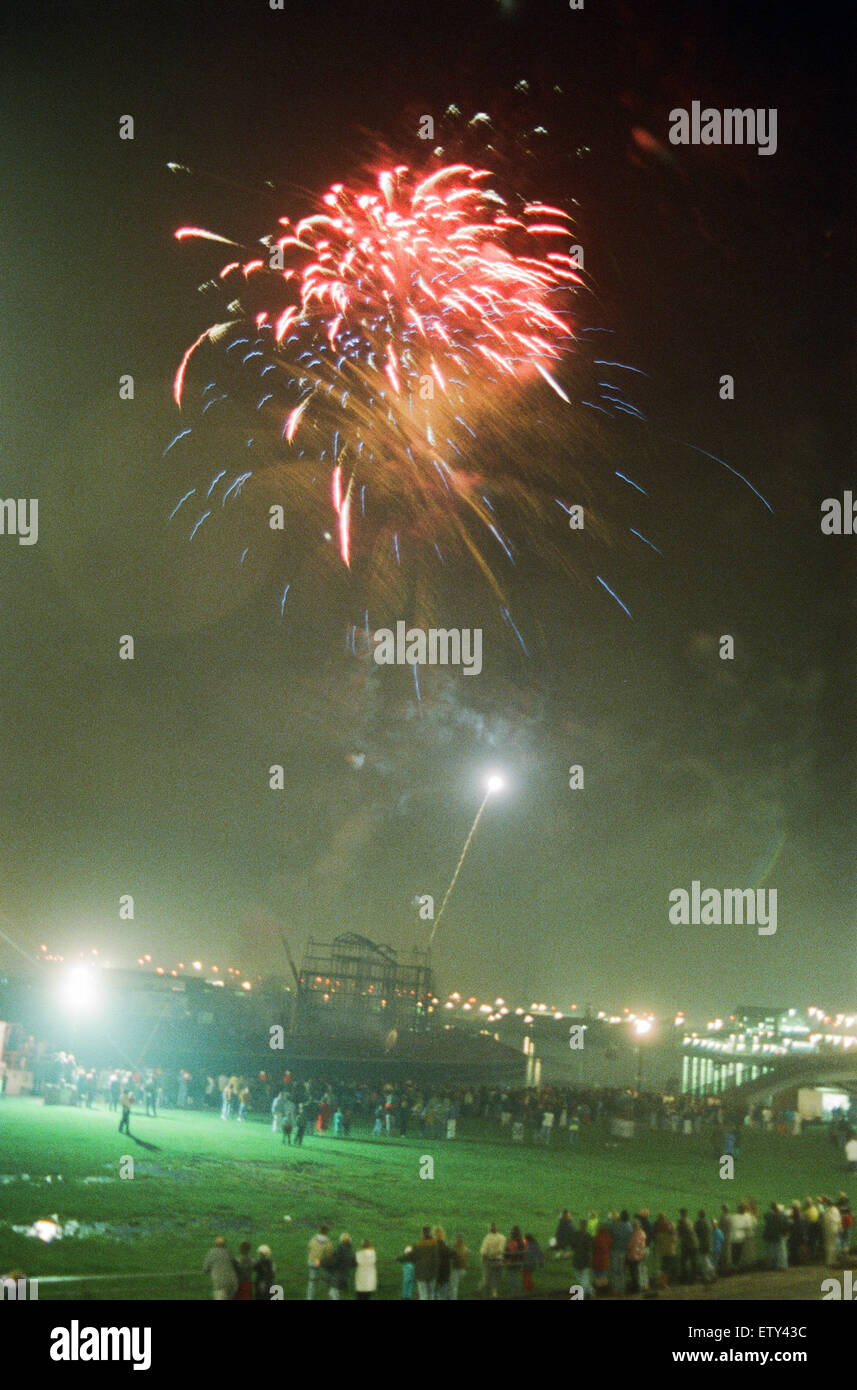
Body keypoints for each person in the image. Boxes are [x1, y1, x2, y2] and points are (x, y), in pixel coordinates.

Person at [204, 1237, 238, 1301]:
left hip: (219, 1283)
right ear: (224, 1244)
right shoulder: (228, 1252)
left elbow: (206, 1268)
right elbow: (235, 1264)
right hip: (231, 1283)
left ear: (215, 1244)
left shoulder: (212, 1253)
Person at [306, 1225, 333, 1300]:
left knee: (312, 1281)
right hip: (322, 1262)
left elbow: (308, 1249)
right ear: (327, 1232)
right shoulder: (328, 1242)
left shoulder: (313, 1239)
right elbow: (329, 1254)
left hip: (312, 1261)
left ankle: (309, 1297)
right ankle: (327, 1289)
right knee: (328, 1275)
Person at [326, 1233, 356, 1300]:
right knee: (335, 1292)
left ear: (341, 1240)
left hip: (337, 1274)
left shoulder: (340, 1249)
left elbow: (334, 1261)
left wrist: (325, 1264)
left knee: (333, 1293)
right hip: (346, 1274)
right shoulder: (351, 1250)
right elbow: (354, 1263)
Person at [480, 1222, 505, 1299]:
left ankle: (483, 1293)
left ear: (490, 1229)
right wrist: (496, 1254)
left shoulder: (487, 1237)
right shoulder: (502, 1237)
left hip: (489, 1260)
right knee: (496, 1277)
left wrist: (488, 1255)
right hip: (498, 1260)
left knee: (487, 1277)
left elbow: (483, 1251)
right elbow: (501, 1249)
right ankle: (494, 1294)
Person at [413, 1226, 439, 1300]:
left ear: (422, 1233)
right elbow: (436, 1259)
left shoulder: (419, 1244)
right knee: (431, 1294)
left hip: (421, 1273)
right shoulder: (434, 1243)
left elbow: (414, 1258)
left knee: (423, 1295)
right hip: (432, 1273)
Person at [504, 1225, 525, 1294]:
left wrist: (505, 1260)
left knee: (512, 1278)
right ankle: (517, 1291)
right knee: (516, 1276)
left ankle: (516, 1292)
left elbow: (507, 1253)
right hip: (519, 1262)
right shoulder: (521, 1241)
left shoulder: (511, 1242)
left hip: (511, 1262)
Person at [450, 1233, 469, 1300]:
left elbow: (452, 1259)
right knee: (455, 1286)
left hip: (456, 1270)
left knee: (454, 1287)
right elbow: (466, 1260)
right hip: (463, 1270)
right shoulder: (465, 1248)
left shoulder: (455, 1249)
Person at [434, 1226, 451, 1299]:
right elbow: (449, 1254)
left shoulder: (433, 1245)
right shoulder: (445, 1245)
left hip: (437, 1270)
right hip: (444, 1270)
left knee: (437, 1291)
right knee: (443, 1291)